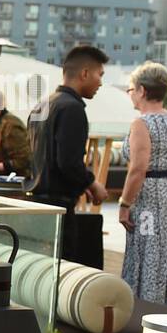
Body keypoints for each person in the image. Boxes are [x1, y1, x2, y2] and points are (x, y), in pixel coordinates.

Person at [119, 61, 167, 313]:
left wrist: (124, 204)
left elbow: (138, 168)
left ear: (141, 90)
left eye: (130, 89)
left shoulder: (141, 124)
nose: (130, 94)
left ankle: (145, 313)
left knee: (150, 255)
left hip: (151, 198)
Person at [28, 45, 109, 265]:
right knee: (61, 272)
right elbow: (69, 163)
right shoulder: (72, 109)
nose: (101, 82)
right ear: (84, 73)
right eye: (99, 75)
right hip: (59, 209)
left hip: (35, 206)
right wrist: (92, 184)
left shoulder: (41, 105)